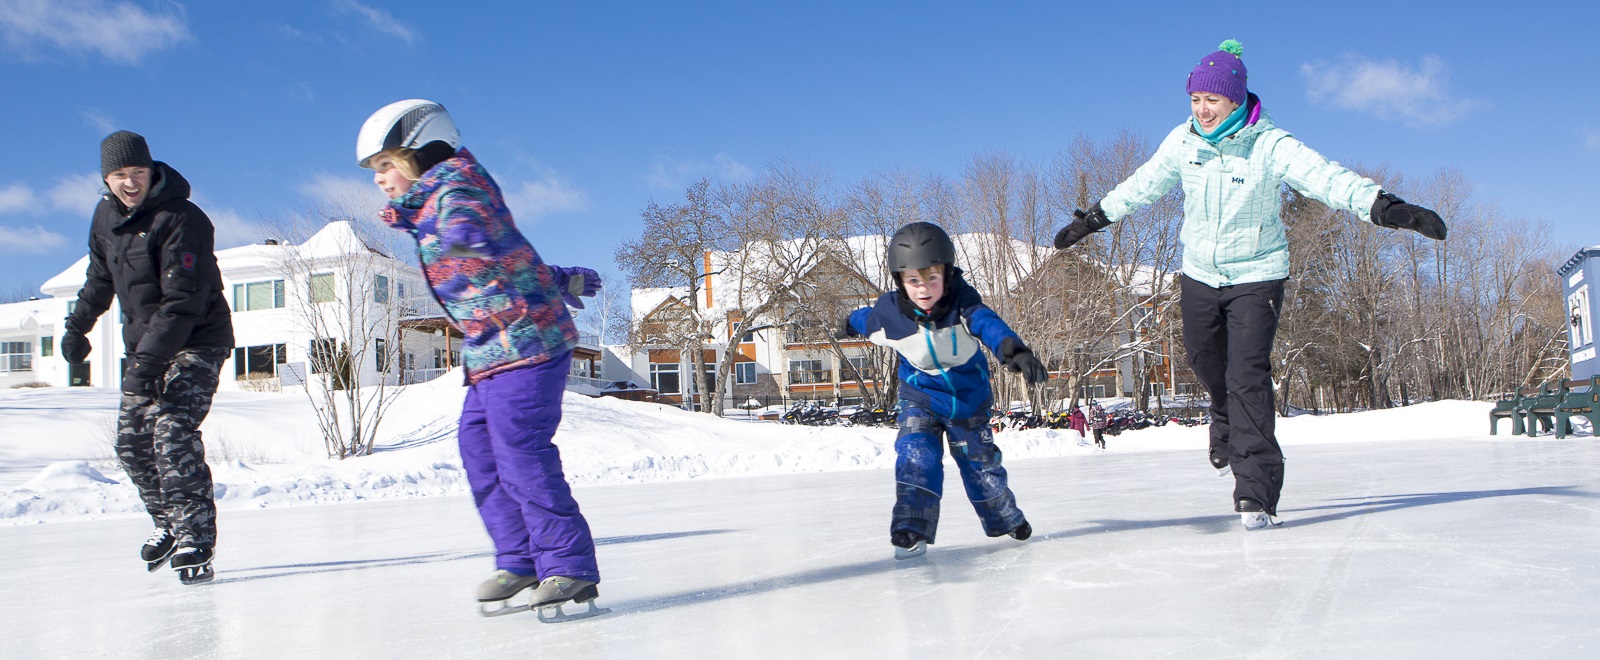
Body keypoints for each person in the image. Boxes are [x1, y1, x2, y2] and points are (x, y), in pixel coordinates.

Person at [1052, 40, 1447, 530]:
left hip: (1257, 275)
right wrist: (1093, 219)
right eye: (1195, 100)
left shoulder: (1270, 144)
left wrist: (1384, 207)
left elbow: (1325, 177)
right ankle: (1223, 416)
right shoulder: (1183, 142)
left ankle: (1256, 490)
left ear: (1236, 100)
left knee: (1249, 376)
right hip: (1199, 272)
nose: (1203, 110)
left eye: (1212, 101)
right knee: (1205, 362)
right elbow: (1143, 184)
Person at [357, 99, 606, 618]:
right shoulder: (428, 207)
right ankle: (520, 559)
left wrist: (462, 237)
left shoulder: (455, 191)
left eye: (386, 165)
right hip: (490, 354)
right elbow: (513, 256)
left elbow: (476, 232)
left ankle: (568, 563)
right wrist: (559, 278)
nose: (380, 179)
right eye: (375, 171)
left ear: (419, 151)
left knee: (520, 453)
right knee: (480, 453)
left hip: (527, 345)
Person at [61, 131, 234, 584]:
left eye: (137, 172)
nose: (130, 183)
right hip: (146, 348)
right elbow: (100, 277)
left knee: (172, 429)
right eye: (120, 175)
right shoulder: (104, 218)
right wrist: (77, 326)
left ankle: (195, 536)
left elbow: (182, 301)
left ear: (151, 170)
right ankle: (168, 524)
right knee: (131, 444)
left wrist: (146, 366)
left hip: (198, 340)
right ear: (106, 179)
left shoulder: (183, 218)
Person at [837, 222, 1049, 559]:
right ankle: (910, 527)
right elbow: (864, 318)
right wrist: (849, 322)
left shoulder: (962, 304)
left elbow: (988, 324)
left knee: (979, 464)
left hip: (967, 399)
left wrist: (1014, 350)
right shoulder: (889, 316)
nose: (923, 289)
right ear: (900, 281)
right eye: (913, 280)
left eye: (932, 278)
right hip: (919, 396)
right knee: (916, 454)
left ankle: (1005, 517)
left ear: (947, 275)